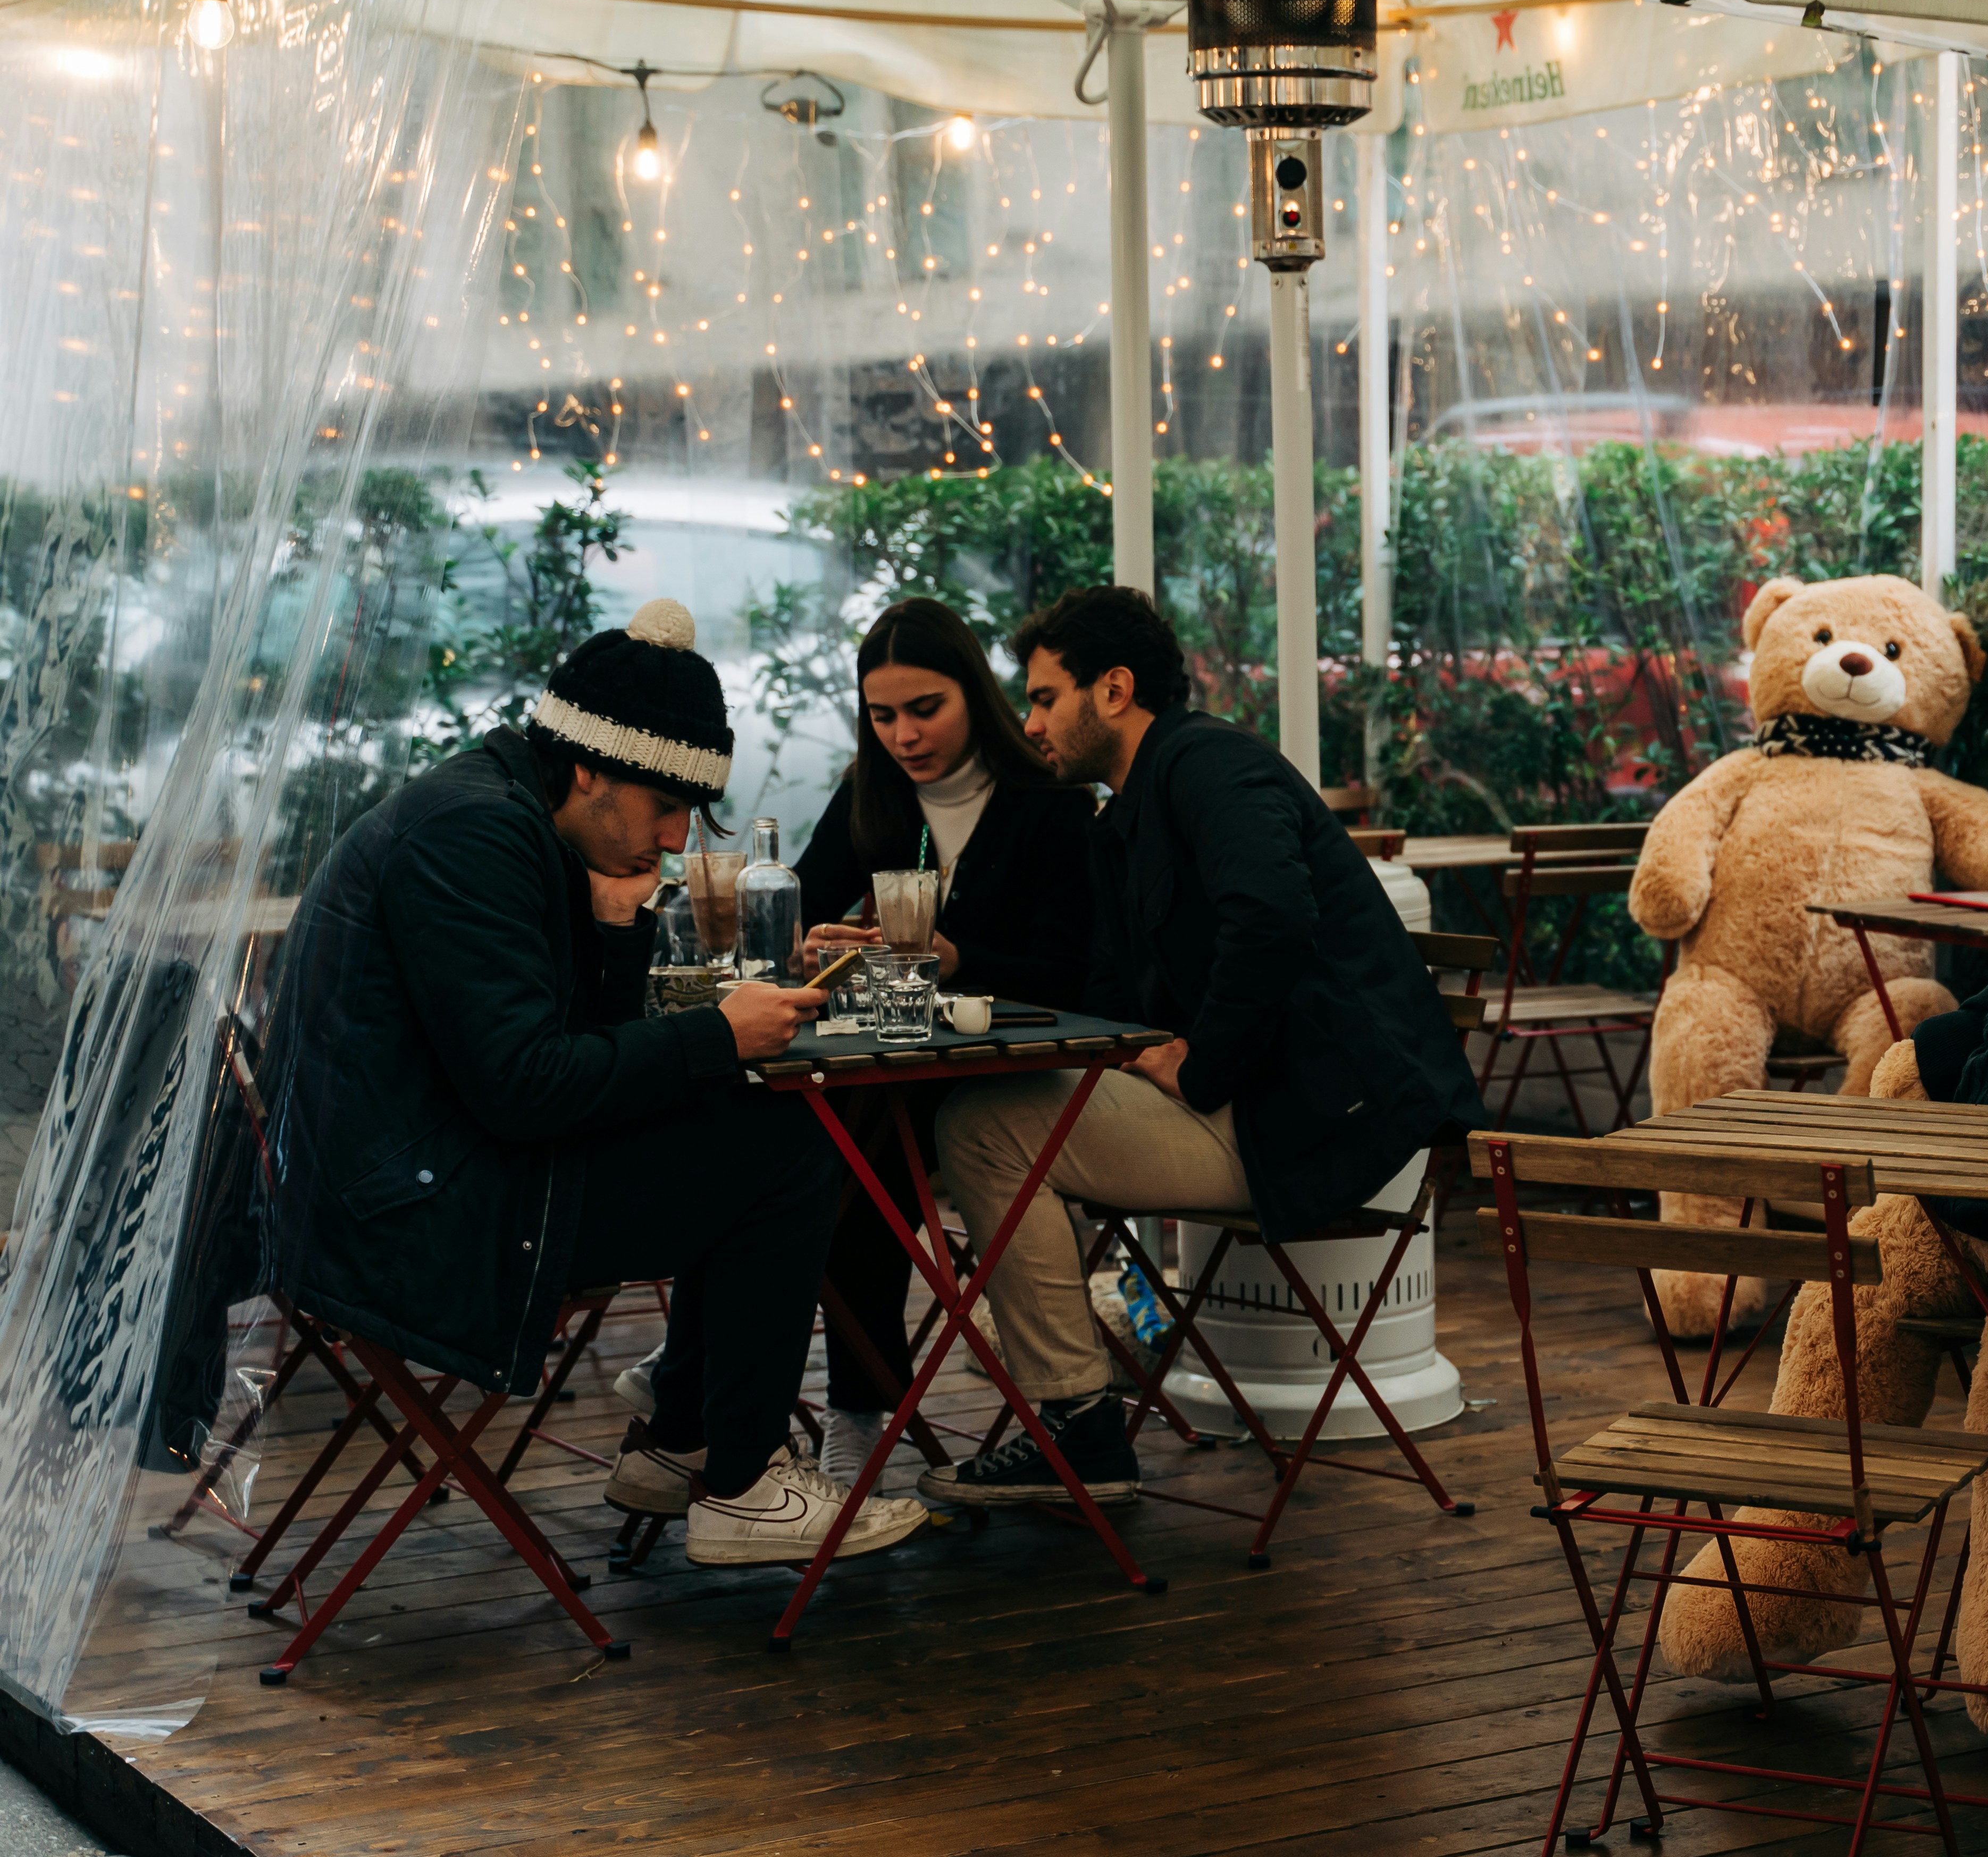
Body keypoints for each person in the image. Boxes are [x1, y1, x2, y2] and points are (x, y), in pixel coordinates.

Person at [261, 598, 930, 1566]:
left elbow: (577, 1044)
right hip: (408, 1217)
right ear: (588, 769)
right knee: (782, 1153)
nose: (671, 839)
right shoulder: (474, 840)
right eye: (663, 808)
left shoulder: (509, 817)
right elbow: (527, 1086)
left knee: (734, 1118)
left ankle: (683, 1445)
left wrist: (620, 936)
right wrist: (717, 1033)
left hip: (412, 1174)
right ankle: (741, 1486)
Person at [920, 585, 1486, 1507]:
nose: (1029, 723)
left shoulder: (1211, 766)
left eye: (1044, 697)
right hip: (1264, 1100)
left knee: (982, 1127)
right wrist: (959, 966)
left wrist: (1198, 1064)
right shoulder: (1130, 806)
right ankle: (1078, 1419)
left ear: (1114, 690)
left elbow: (1271, 922)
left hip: (1307, 1120)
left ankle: (1079, 1429)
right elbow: (1104, 993)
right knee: (983, 1110)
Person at [785, 598, 1096, 1487]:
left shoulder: (1048, 801)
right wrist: (814, 939)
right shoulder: (874, 793)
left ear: (976, 694)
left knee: (849, 1162)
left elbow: (1075, 971)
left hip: (1010, 1074)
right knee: (797, 1143)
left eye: (926, 709)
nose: (904, 736)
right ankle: (722, 1361)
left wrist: (962, 956)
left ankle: (846, 1413)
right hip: (899, 1062)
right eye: (882, 716)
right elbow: (807, 899)